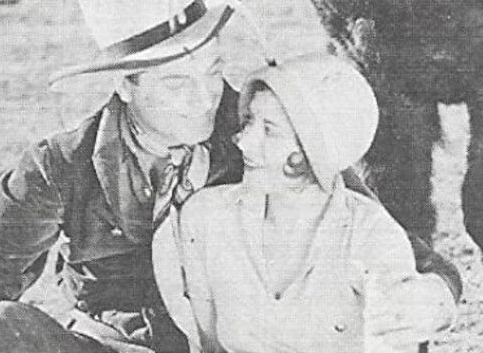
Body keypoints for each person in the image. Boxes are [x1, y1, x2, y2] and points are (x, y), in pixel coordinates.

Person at [0, 0, 460, 353]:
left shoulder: (262, 134)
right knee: (2, 326)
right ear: (125, 85)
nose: (206, 98)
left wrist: (433, 293)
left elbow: (385, 240)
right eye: (177, 82)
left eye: (212, 70)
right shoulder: (63, 164)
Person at [153, 53, 456, 353]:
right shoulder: (206, 217)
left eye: (269, 130)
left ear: (315, 152)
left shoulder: (372, 235)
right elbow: (209, 346)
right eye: (247, 121)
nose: (242, 141)